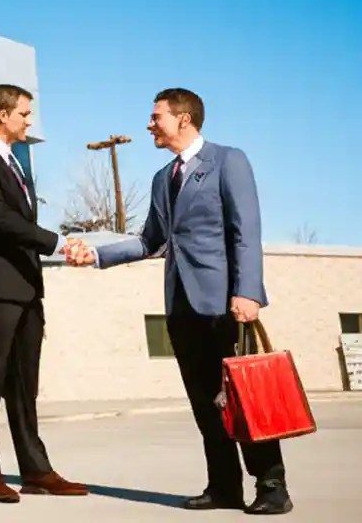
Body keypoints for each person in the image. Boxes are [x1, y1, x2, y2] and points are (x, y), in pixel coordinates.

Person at [68, 88, 291, 514]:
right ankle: (223, 487)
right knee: (206, 401)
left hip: (226, 303)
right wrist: (96, 255)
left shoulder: (228, 161)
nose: (150, 124)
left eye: (156, 117)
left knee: (246, 397)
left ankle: (272, 486)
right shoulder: (161, 179)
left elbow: (247, 231)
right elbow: (151, 241)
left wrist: (247, 291)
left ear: (184, 118)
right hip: (182, 307)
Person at [0, 83, 90, 503]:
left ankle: (36, 470)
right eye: (25, 114)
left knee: (23, 385)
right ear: (3, 115)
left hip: (27, 287)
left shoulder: (18, 163)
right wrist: (57, 243)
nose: (29, 121)